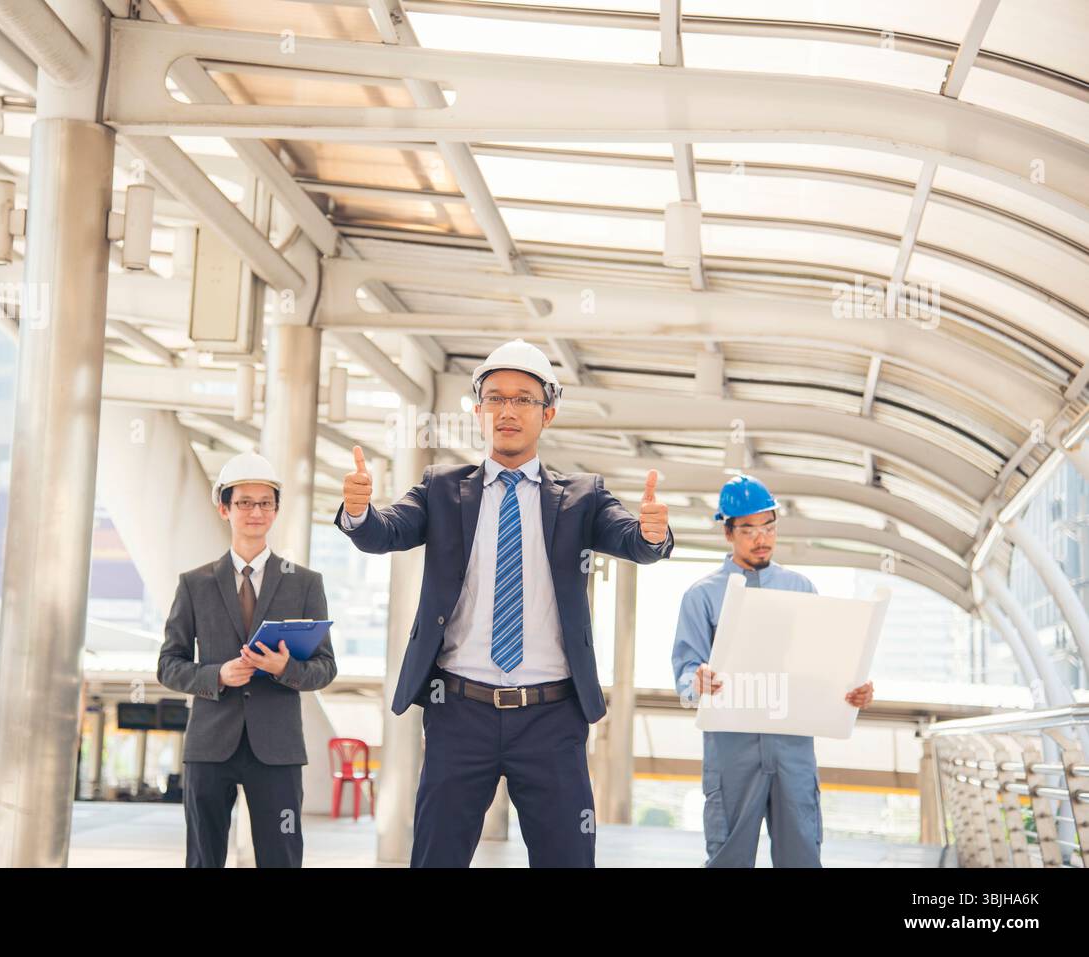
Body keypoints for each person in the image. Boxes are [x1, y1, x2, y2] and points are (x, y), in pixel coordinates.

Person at [338, 338, 674, 867]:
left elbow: (634, 541)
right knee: (436, 857)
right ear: (478, 411)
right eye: (495, 398)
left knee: (567, 857)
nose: (508, 410)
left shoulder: (583, 496)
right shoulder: (442, 489)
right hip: (458, 712)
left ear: (549, 413)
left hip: (553, 717)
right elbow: (388, 532)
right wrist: (358, 512)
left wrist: (653, 533)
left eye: (523, 399)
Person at [672, 475, 875, 868]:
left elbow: (825, 666)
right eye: (748, 529)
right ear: (728, 532)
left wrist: (856, 690)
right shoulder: (702, 596)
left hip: (792, 746)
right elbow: (684, 673)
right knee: (728, 857)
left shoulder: (800, 588)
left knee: (801, 854)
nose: (761, 538)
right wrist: (696, 683)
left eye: (768, 527)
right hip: (732, 747)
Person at [157, 451, 337, 868]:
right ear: (224, 508)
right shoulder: (195, 584)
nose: (255, 512)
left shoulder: (306, 584)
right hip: (210, 745)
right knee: (204, 858)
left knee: (282, 858)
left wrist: (284, 669)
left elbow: (325, 667)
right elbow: (169, 663)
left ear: (275, 510)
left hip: (277, 748)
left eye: (265, 503)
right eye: (244, 502)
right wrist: (216, 674)